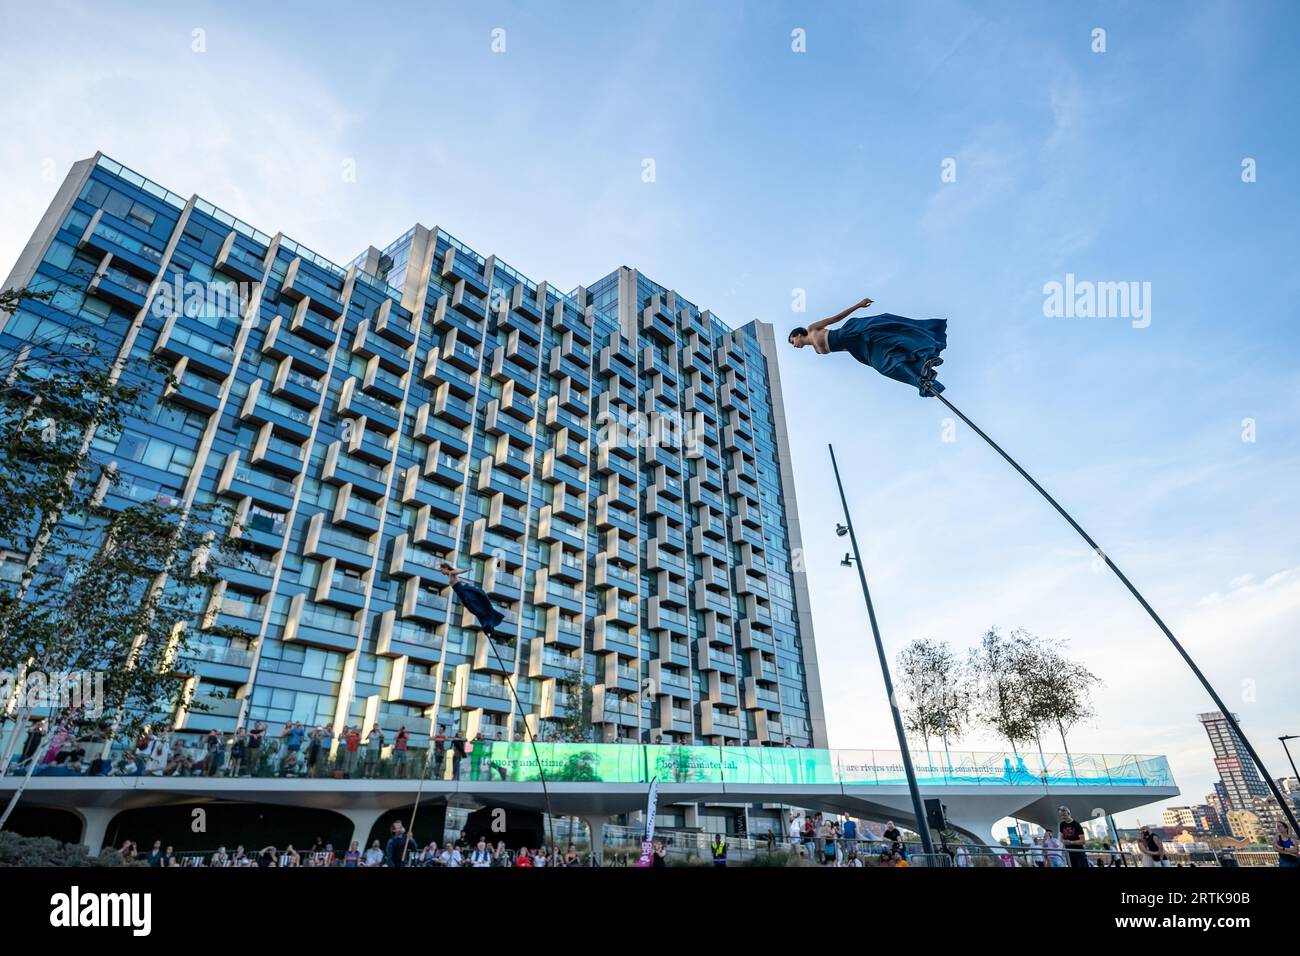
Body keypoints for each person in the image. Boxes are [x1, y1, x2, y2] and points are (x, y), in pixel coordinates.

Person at [787, 297, 947, 397]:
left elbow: (837, 318)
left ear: (798, 335)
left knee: (889, 335)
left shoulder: (812, 328)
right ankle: (920, 375)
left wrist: (858, 305)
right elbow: (843, 349)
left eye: (792, 341)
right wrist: (866, 352)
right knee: (884, 365)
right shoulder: (816, 351)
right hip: (854, 347)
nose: (794, 345)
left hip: (850, 332)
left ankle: (924, 349)